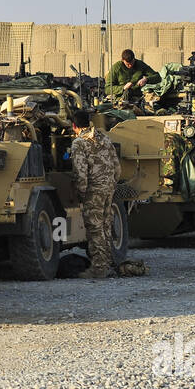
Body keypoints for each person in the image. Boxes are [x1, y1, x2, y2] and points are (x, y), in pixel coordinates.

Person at [69, 109, 120, 278]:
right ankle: (109, 263)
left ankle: (99, 269)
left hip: (94, 190)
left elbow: (80, 172)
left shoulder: (79, 143)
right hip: (108, 188)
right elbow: (116, 166)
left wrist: (81, 193)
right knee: (105, 225)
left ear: (74, 126)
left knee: (95, 228)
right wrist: (111, 183)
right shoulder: (104, 138)